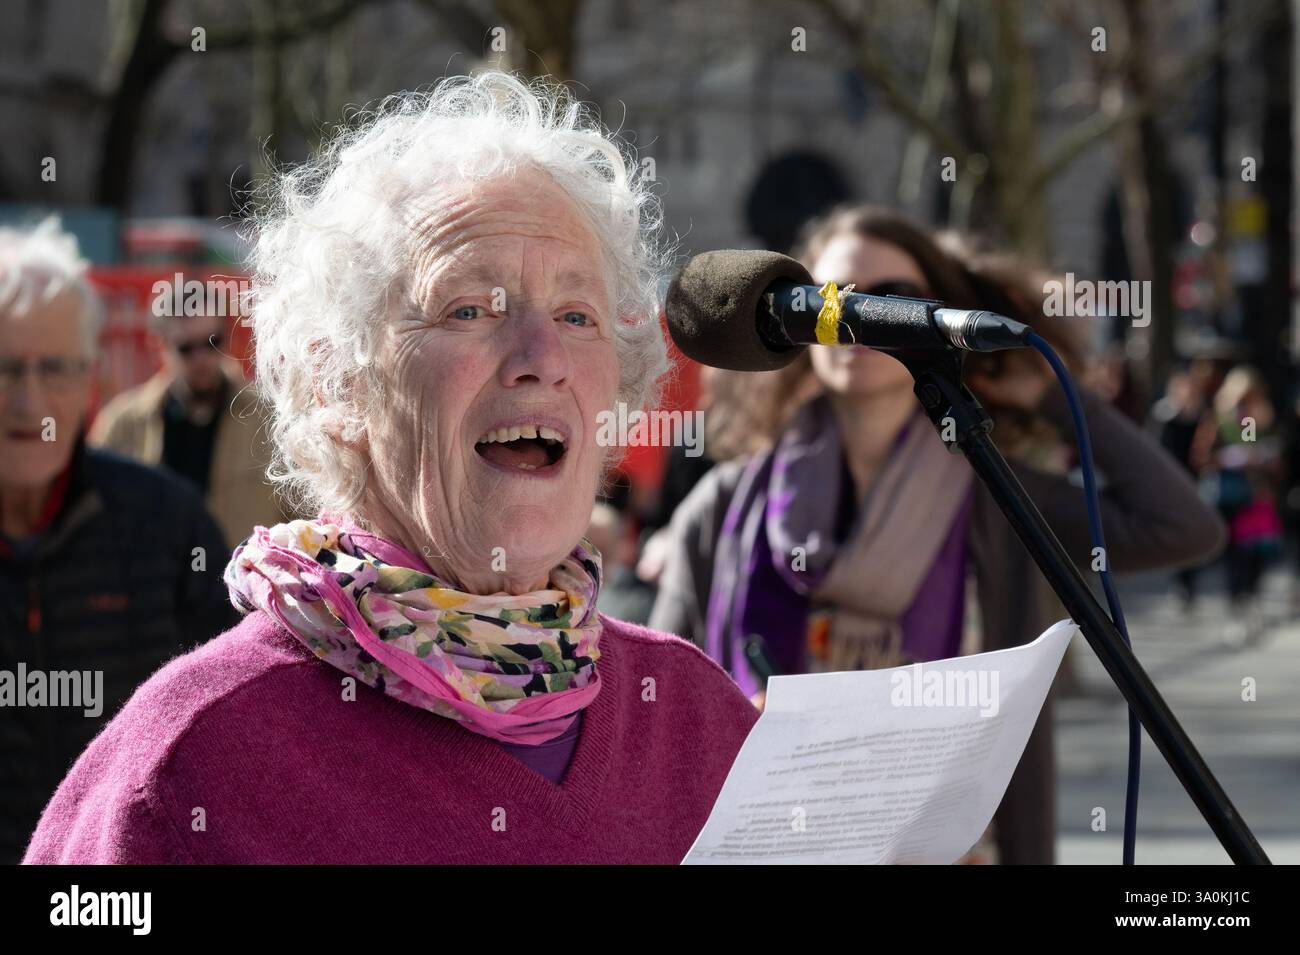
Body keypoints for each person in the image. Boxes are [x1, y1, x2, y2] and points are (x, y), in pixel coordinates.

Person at [24, 71, 758, 865]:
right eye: (469, 308)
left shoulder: (698, 720)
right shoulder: (187, 769)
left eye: (576, 315)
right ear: (338, 382)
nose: (542, 358)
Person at [648, 205, 1227, 864]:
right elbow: (653, 724)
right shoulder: (723, 510)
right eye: (832, 297)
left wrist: (1052, 398)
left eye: (890, 298)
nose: (859, 314)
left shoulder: (999, 499)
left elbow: (1183, 525)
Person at [0, 219, 237, 863]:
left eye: (53, 369)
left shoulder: (168, 524)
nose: (28, 400)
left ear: (86, 378)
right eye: (5, 367)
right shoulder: (130, 423)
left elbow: (237, 715)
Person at [88, 310, 294, 549]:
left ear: (226, 339)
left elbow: (302, 516)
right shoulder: (123, 424)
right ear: (159, 346)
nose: (202, 358)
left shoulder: (270, 419)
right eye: (186, 348)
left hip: (243, 580)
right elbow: (91, 514)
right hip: (151, 580)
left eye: (212, 343)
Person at [1192, 365, 1282, 643]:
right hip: (1230, 498)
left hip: (1256, 500)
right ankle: (1236, 610)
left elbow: (1280, 462)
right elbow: (1201, 457)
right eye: (1242, 397)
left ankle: (1250, 604)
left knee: (1257, 555)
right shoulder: (1219, 421)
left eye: (1251, 396)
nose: (1246, 403)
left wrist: (1265, 459)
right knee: (1236, 558)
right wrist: (1230, 457)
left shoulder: (1264, 420)